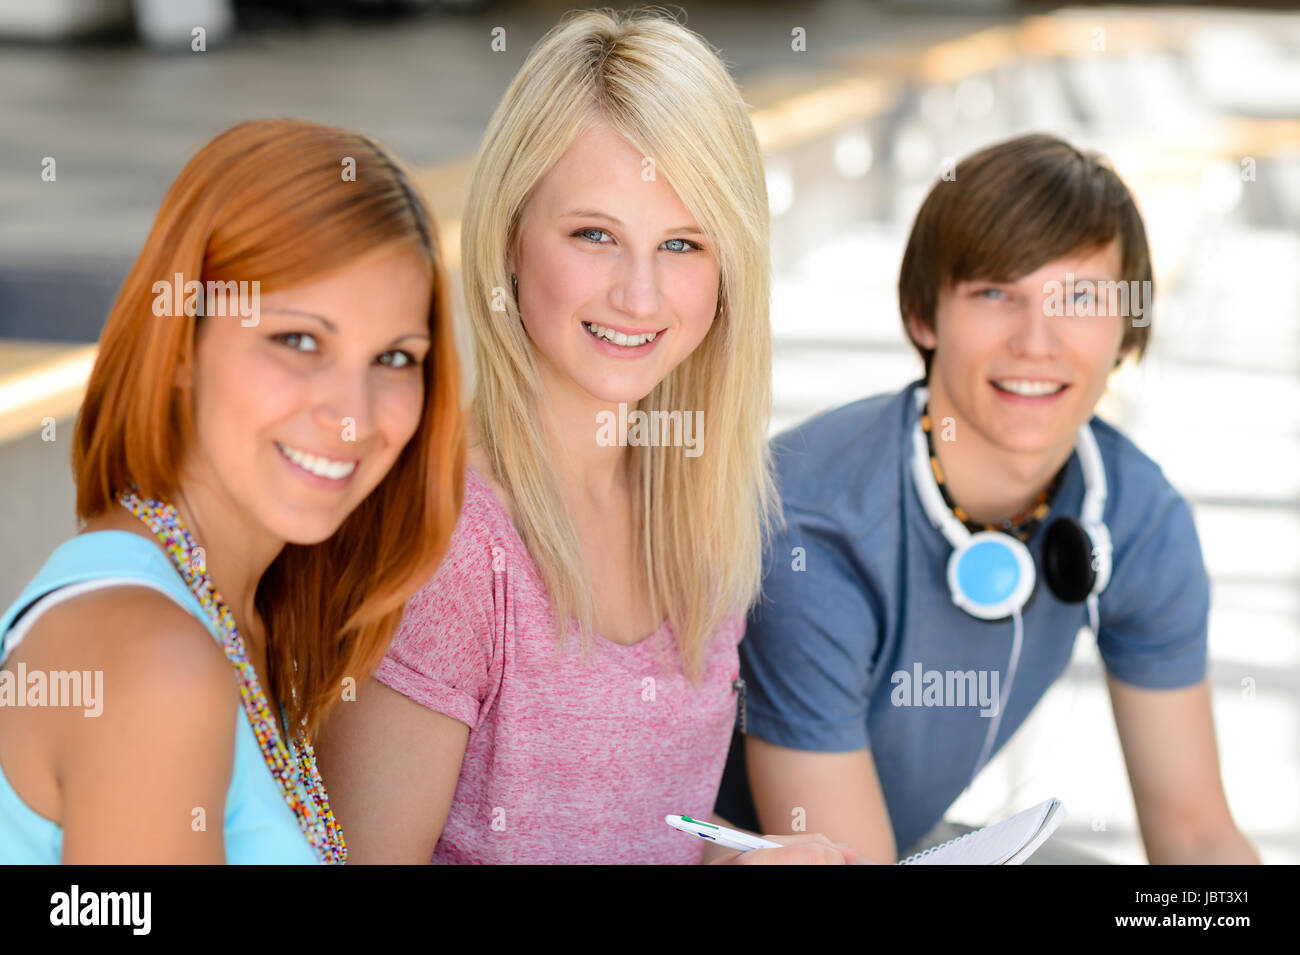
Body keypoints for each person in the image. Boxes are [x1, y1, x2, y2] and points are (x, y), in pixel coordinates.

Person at [315, 9, 855, 865]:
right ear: (510, 244)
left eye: (682, 244)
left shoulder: (702, 518)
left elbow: (645, 836)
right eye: (594, 234)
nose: (639, 297)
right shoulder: (448, 547)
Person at [715, 133, 1260, 865]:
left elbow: (1195, 835)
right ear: (924, 317)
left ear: (1126, 331)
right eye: (996, 293)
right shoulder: (814, 531)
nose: (1037, 342)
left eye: (1080, 298)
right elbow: (846, 861)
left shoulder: (1137, 515)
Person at [0, 118, 465, 863]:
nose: (352, 415)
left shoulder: (242, 616)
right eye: (299, 340)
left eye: (394, 357)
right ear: (181, 341)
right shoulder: (155, 661)